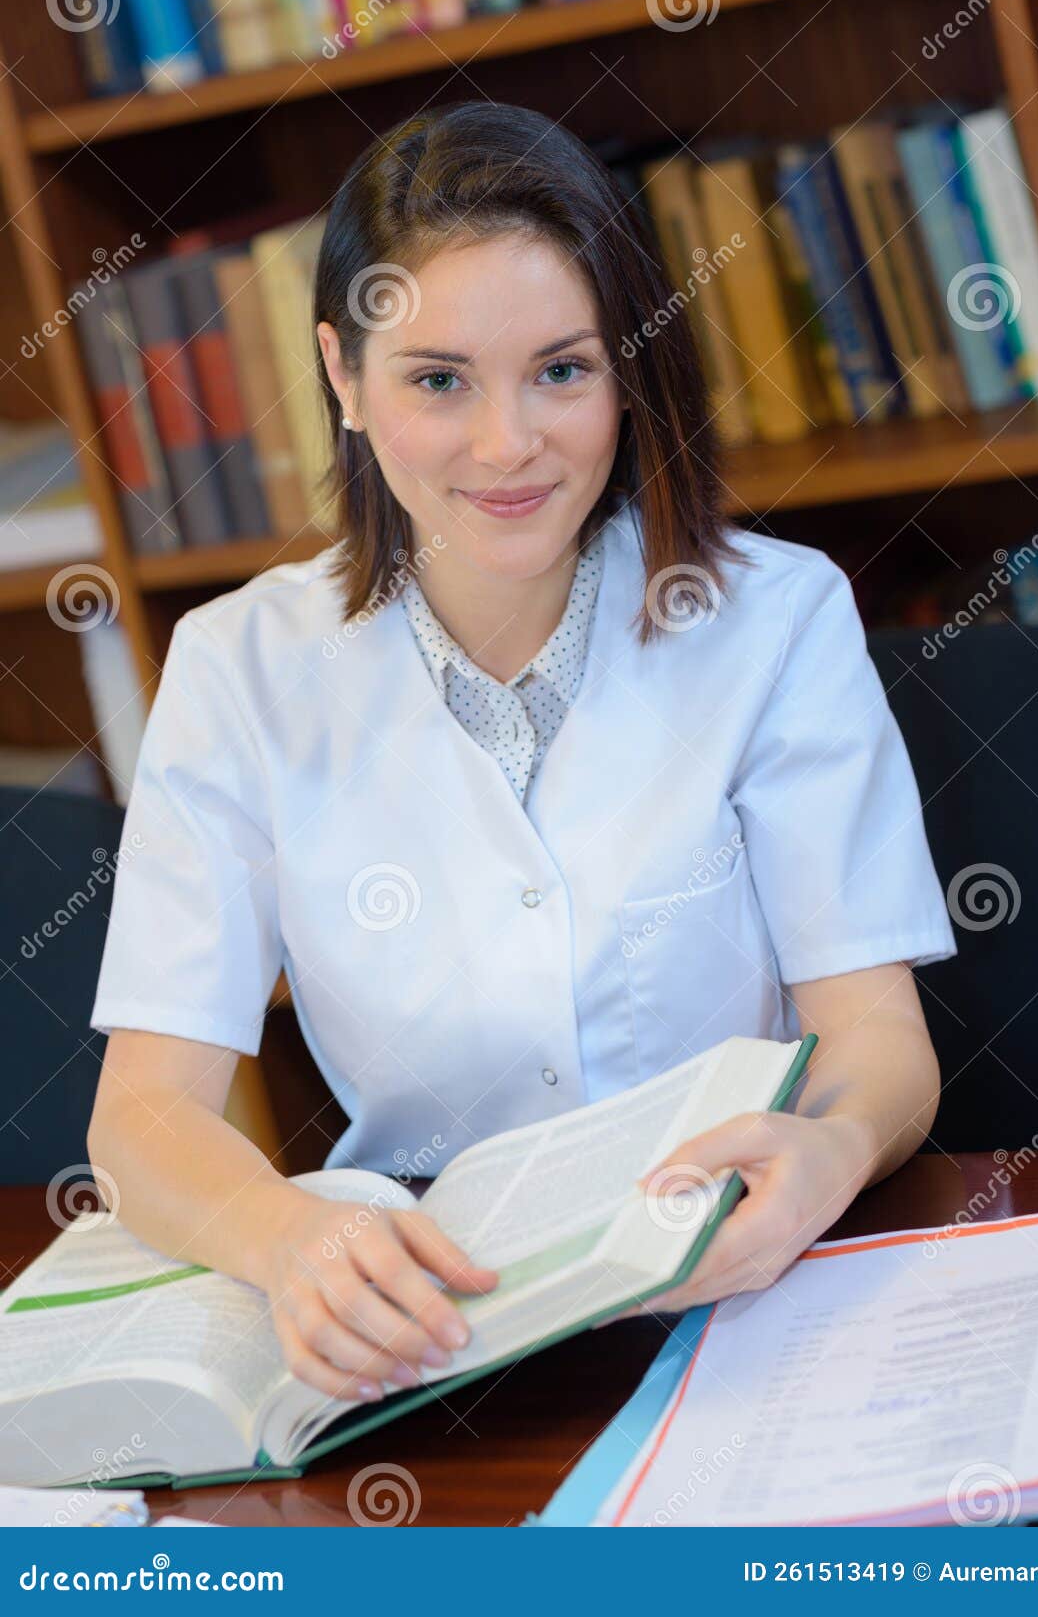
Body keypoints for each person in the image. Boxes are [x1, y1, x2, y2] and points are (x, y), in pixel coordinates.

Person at [87, 100, 957, 1407]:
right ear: (343, 379)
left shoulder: (777, 620)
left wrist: (829, 1151)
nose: (509, 445)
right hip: (442, 1341)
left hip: (745, 1297)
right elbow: (141, 1119)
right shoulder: (238, 670)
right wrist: (285, 1237)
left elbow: (879, 1040)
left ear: (630, 368)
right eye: (438, 380)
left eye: (563, 370)